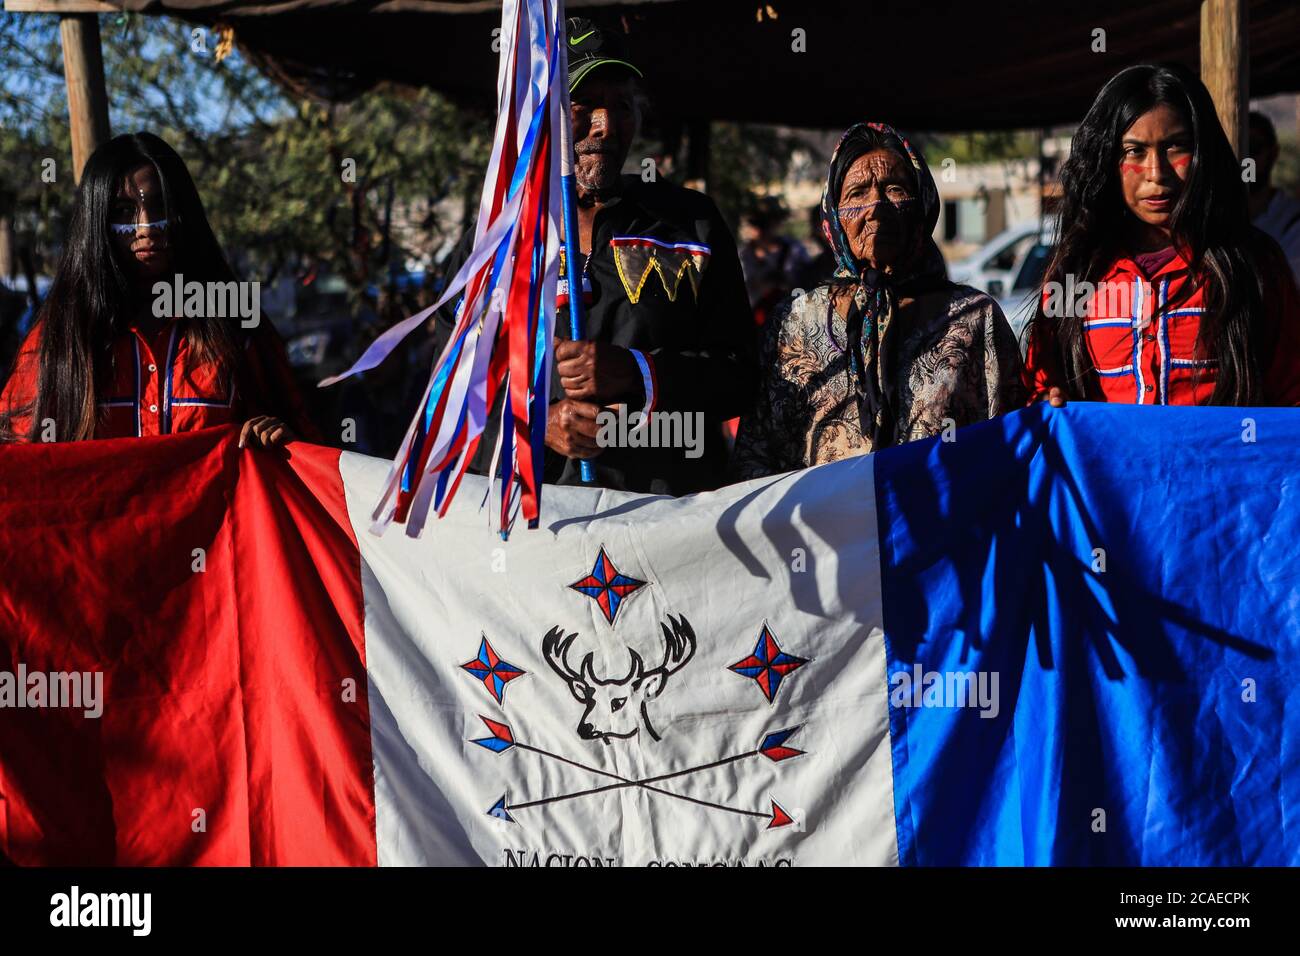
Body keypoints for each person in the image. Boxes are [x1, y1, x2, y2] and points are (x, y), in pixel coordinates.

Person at [431, 17, 755, 495]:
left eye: (621, 106)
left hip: (666, 526)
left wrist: (637, 372)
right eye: (584, 104)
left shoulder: (691, 223)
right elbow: (449, 385)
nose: (606, 126)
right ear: (545, 115)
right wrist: (537, 421)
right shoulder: (498, 238)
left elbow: (742, 375)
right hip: (537, 527)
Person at [730, 122, 1025, 479]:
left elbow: (1011, 449)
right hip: (824, 532)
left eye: (895, 189)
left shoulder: (974, 318)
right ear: (833, 213)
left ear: (922, 204)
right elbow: (756, 456)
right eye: (856, 193)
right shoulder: (794, 322)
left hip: (938, 530)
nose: (876, 207)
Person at [0, 132, 315, 446]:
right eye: (124, 211)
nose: (147, 227)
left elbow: (306, 447)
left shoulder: (237, 327)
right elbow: (21, 466)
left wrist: (282, 441)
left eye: (160, 205)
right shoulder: (59, 339)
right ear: (97, 222)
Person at [1023, 65, 1300, 408]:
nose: (1156, 173)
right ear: (1107, 160)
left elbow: (1290, 394)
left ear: (1203, 153)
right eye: (1134, 151)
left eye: (1175, 147)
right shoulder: (1077, 271)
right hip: (1105, 464)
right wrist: (1049, 399)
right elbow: (1040, 385)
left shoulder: (1252, 265)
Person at [739, 195, 811, 326]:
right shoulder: (743, 256)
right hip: (754, 326)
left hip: (791, 322)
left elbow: (806, 287)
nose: (760, 230)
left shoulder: (795, 251)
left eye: (765, 224)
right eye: (757, 223)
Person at [1247, 111, 1300, 287]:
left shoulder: (1293, 221)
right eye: (1239, 149)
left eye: (1253, 149)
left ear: (1274, 153)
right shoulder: (1213, 217)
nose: (1247, 160)